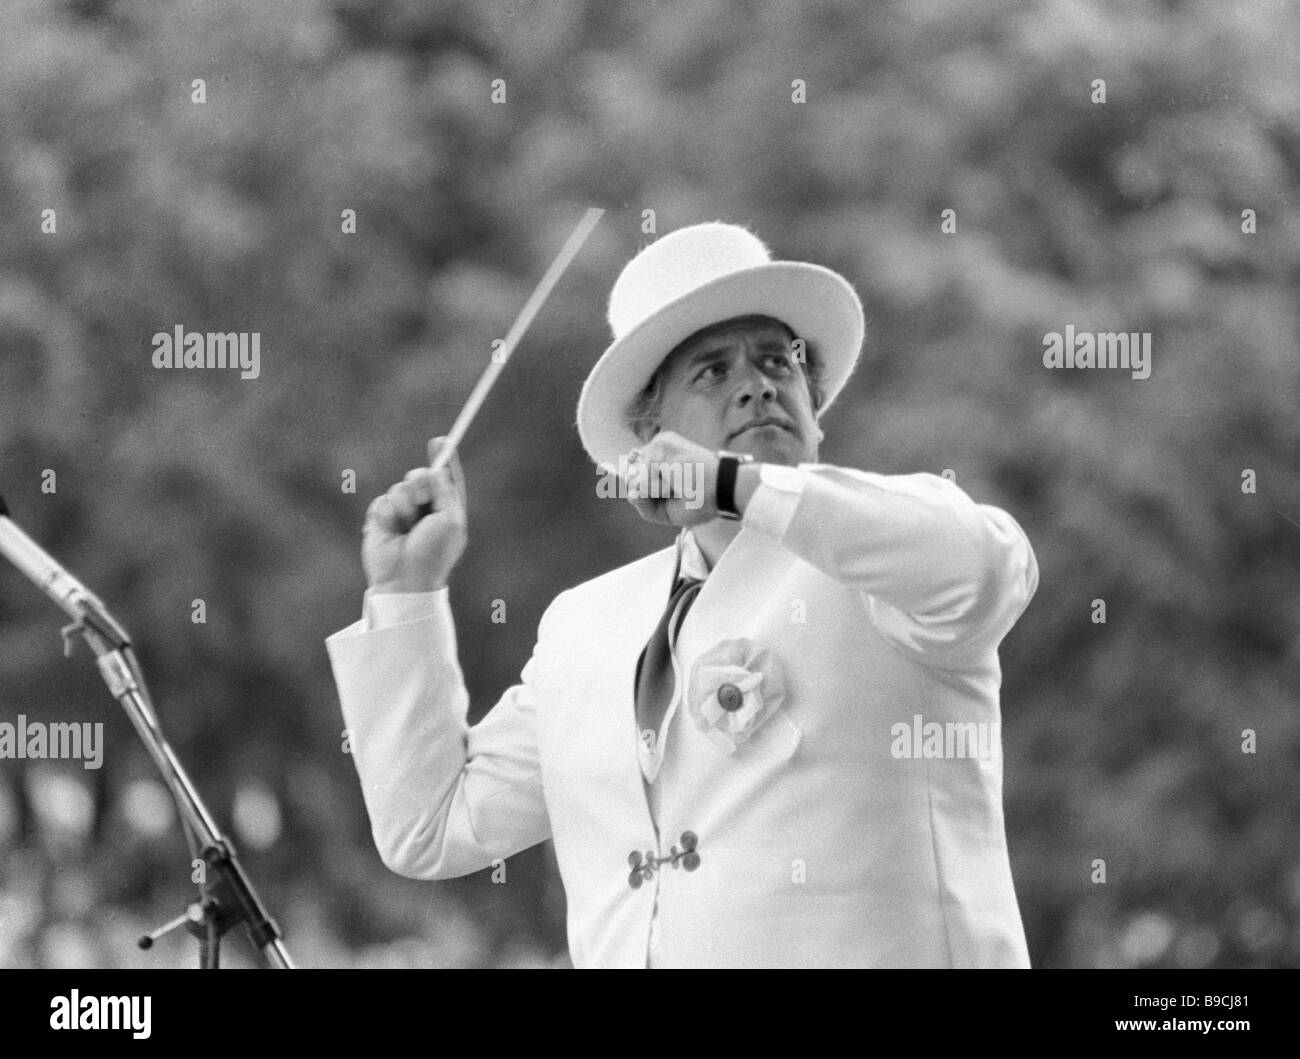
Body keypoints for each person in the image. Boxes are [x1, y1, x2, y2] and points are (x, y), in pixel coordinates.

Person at [325, 221, 1040, 968]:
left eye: (778, 362)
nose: (759, 383)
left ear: (814, 403)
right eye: (711, 371)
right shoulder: (582, 625)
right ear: (647, 432)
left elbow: (988, 565)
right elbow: (430, 828)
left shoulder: (881, 561)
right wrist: (407, 591)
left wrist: (734, 482)